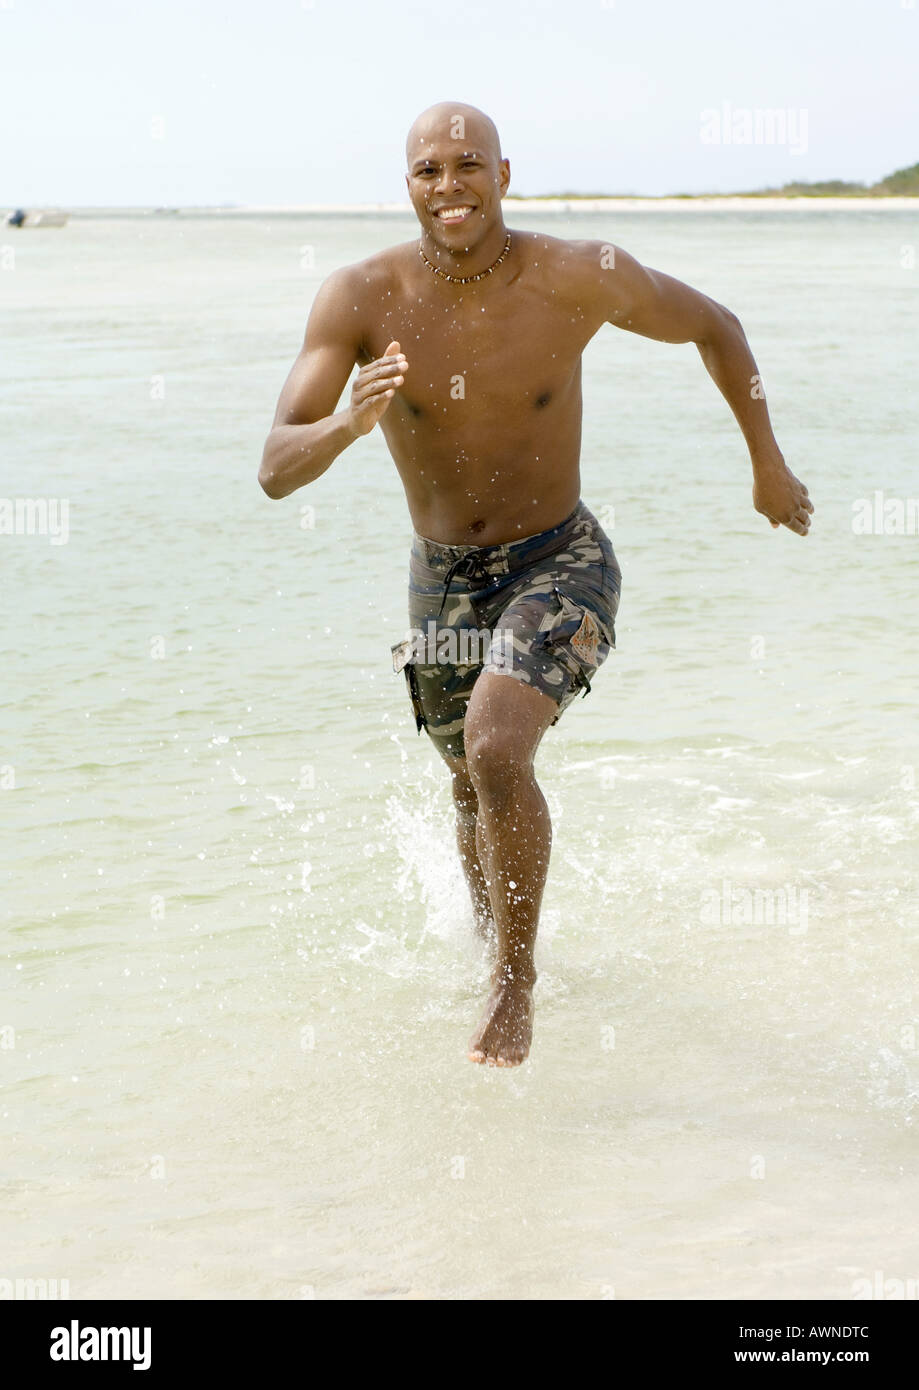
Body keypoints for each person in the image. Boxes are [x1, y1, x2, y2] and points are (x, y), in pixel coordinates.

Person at [259, 102, 813, 1068]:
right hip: (441, 582)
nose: (448, 187)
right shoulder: (358, 297)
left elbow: (715, 326)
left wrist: (764, 464)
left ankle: (514, 988)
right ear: (408, 186)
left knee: (496, 744)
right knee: (470, 786)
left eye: (466, 165)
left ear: (505, 175)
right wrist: (349, 426)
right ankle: (489, 948)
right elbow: (273, 465)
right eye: (427, 171)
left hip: (560, 556)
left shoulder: (577, 275)